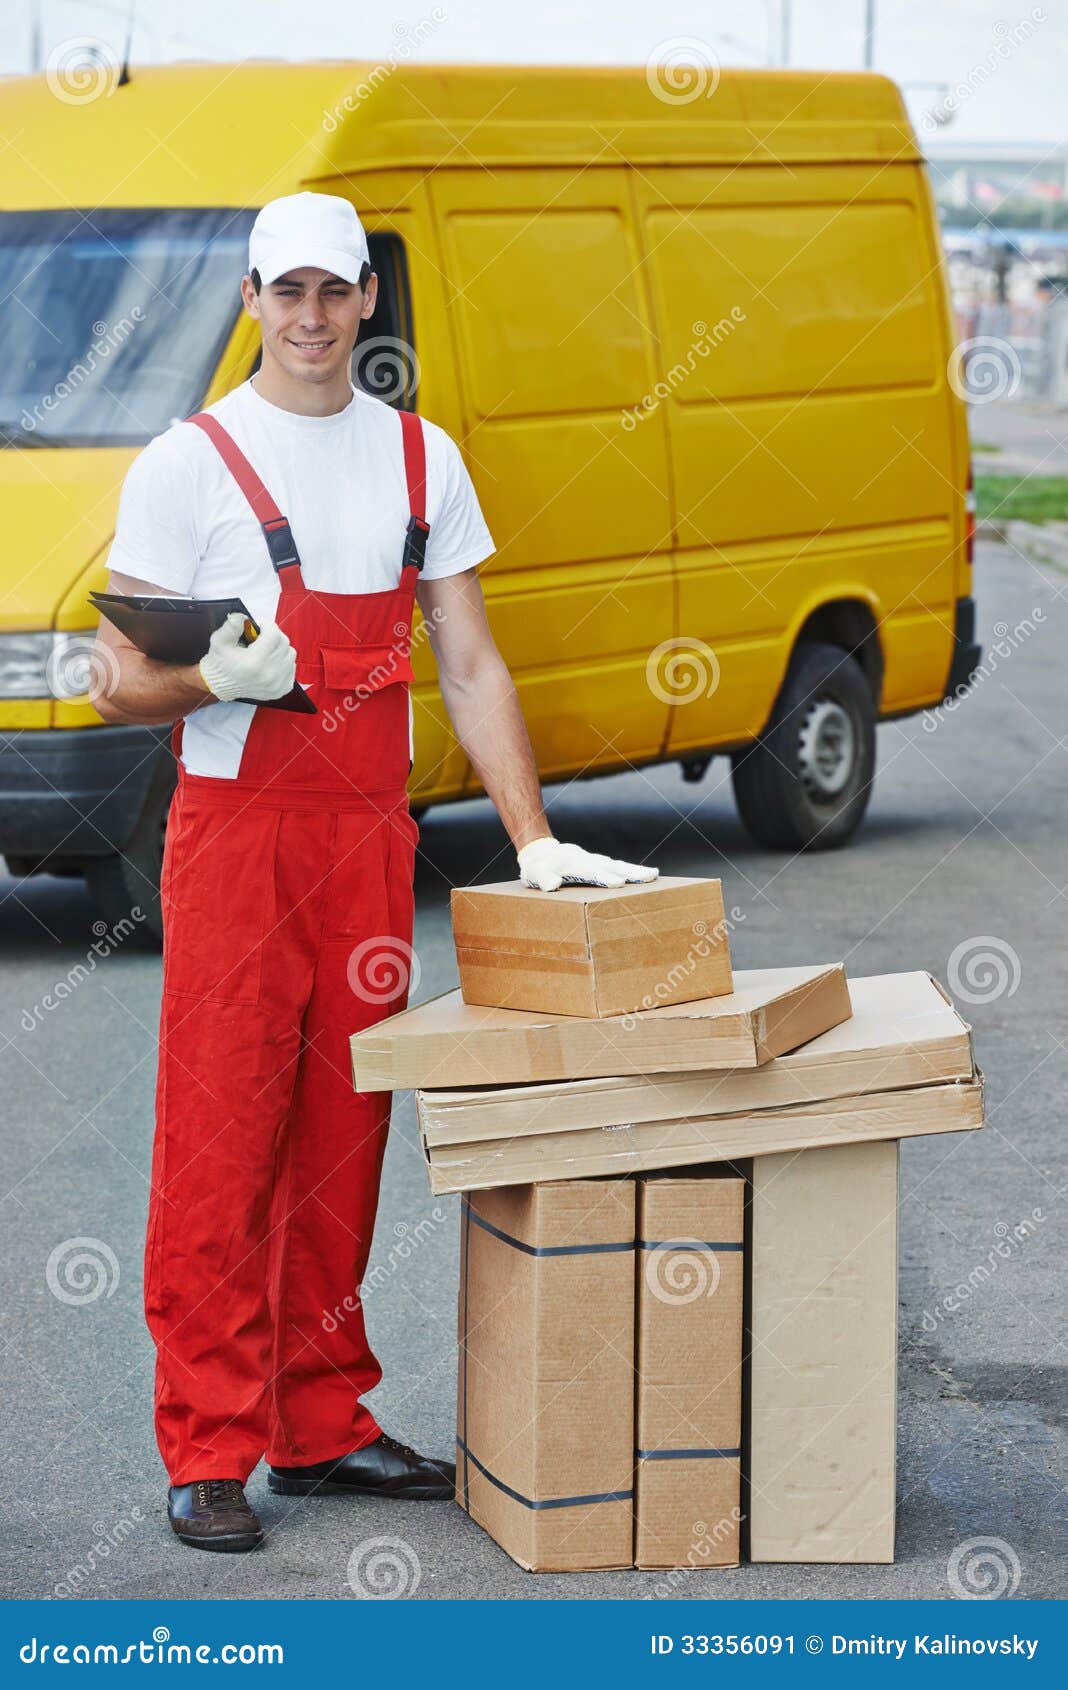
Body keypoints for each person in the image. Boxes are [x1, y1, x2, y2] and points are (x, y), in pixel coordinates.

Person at [91, 192, 658, 1554]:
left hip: (365, 842)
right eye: (286, 290)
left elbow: (470, 662)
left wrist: (533, 838)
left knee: (345, 1140)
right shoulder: (189, 463)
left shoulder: (421, 456)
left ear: (365, 299)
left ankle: (321, 1420)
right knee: (222, 1140)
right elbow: (114, 678)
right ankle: (210, 1445)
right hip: (237, 842)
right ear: (250, 298)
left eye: (334, 290)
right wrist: (209, 677)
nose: (312, 316)